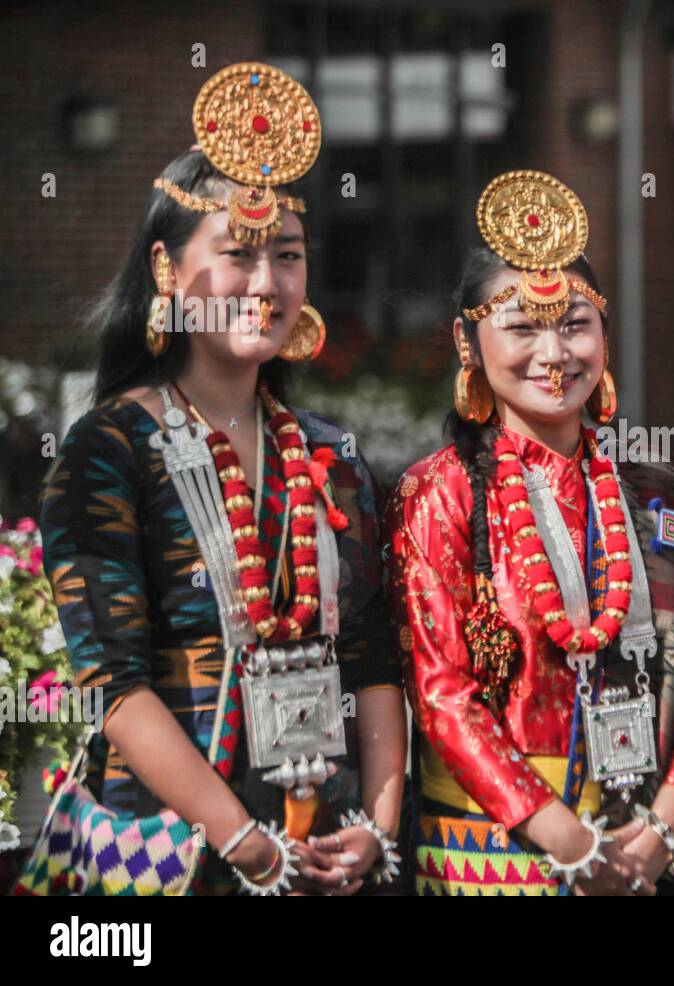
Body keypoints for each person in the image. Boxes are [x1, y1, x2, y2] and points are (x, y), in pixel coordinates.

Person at [22, 63, 406, 896]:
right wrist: (244, 844)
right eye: (237, 255)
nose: (266, 285)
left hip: (327, 842)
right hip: (175, 848)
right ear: (168, 271)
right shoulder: (110, 449)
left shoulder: (330, 454)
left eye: (289, 257)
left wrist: (376, 824)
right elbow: (113, 687)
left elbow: (373, 656)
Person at [385, 170, 674, 895]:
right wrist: (562, 835)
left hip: (644, 839)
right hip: (494, 849)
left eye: (575, 324)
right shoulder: (439, 493)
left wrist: (667, 823)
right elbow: (441, 691)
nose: (554, 354)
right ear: (467, 339)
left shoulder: (662, 495)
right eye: (521, 327)